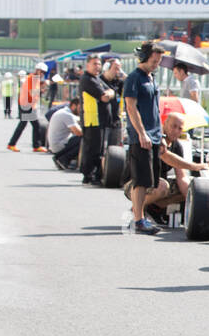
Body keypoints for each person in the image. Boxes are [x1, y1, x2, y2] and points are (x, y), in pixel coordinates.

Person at [123, 41, 169, 235]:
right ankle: (138, 219)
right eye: (153, 61)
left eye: (158, 61)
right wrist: (141, 133)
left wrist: (161, 135)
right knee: (141, 180)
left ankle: (139, 215)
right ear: (143, 58)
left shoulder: (151, 78)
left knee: (150, 180)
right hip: (141, 136)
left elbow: (155, 110)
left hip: (154, 135)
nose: (155, 64)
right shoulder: (134, 78)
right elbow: (131, 108)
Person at [136, 110, 209, 223]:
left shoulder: (177, 146)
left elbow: (181, 177)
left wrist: (193, 198)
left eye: (180, 128)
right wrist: (194, 166)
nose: (176, 131)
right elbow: (166, 156)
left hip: (157, 184)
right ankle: (138, 208)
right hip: (138, 183)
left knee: (192, 187)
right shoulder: (157, 140)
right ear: (165, 124)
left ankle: (154, 208)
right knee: (162, 186)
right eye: (173, 126)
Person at [78, 54, 115, 185]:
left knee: (99, 148)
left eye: (99, 64)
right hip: (92, 119)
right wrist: (110, 94)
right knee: (92, 148)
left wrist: (110, 93)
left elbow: (110, 90)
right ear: (87, 65)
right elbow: (104, 96)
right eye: (94, 64)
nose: (97, 66)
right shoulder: (87, 79)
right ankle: (89, 174)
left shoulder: (97, 79)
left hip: (100, 120)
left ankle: (95, 173)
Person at [9, 63, 49, 152]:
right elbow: (32, 93)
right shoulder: (33, 79)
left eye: (44, 73)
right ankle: (34, 146)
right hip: (27, 105)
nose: (43, 74)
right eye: (42, 72)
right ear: (37, 70)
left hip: (27, 104)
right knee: (31, 125)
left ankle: (13, 144)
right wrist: (42, 90)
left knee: (30, 125)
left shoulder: (33, 78)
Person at [48, 98, 84, 171]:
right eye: (80, 108)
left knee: (78, 138)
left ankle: (61, 158)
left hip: (56, 143)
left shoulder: (64, 112)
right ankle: (64, 159)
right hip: (58, 145)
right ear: (74, 106)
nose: (81, 111)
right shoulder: (67, 115)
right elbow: (79, 132)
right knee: (84, 139)